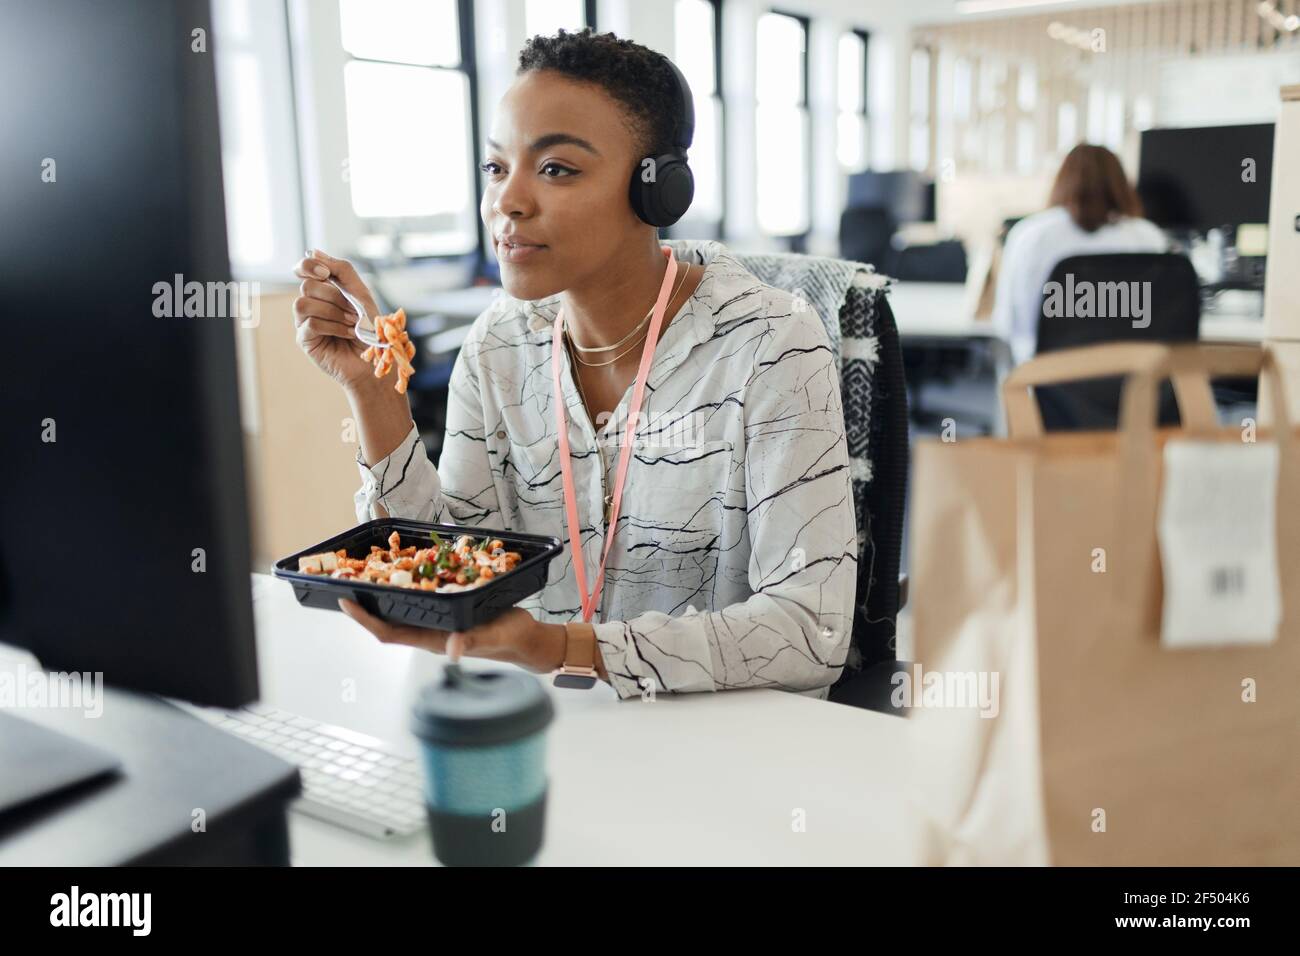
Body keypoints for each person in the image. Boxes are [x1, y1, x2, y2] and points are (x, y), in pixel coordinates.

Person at [291, 29, 858, 700]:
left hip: (724, 747)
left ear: (658, 192)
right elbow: (459, 567)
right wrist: (376, 400)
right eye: (497, 168)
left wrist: (563, 648)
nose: (508, 201)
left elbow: (811, 630)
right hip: (552, 726)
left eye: (556, 168)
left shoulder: (770, 343)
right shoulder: (499, 343)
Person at [992, 143, 1167, 365]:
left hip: (1047, 382)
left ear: (1062, 182)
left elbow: (1006, 323)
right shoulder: (1148, 237)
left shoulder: (1031, 235)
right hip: (1133, 383)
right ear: (1121, 184)